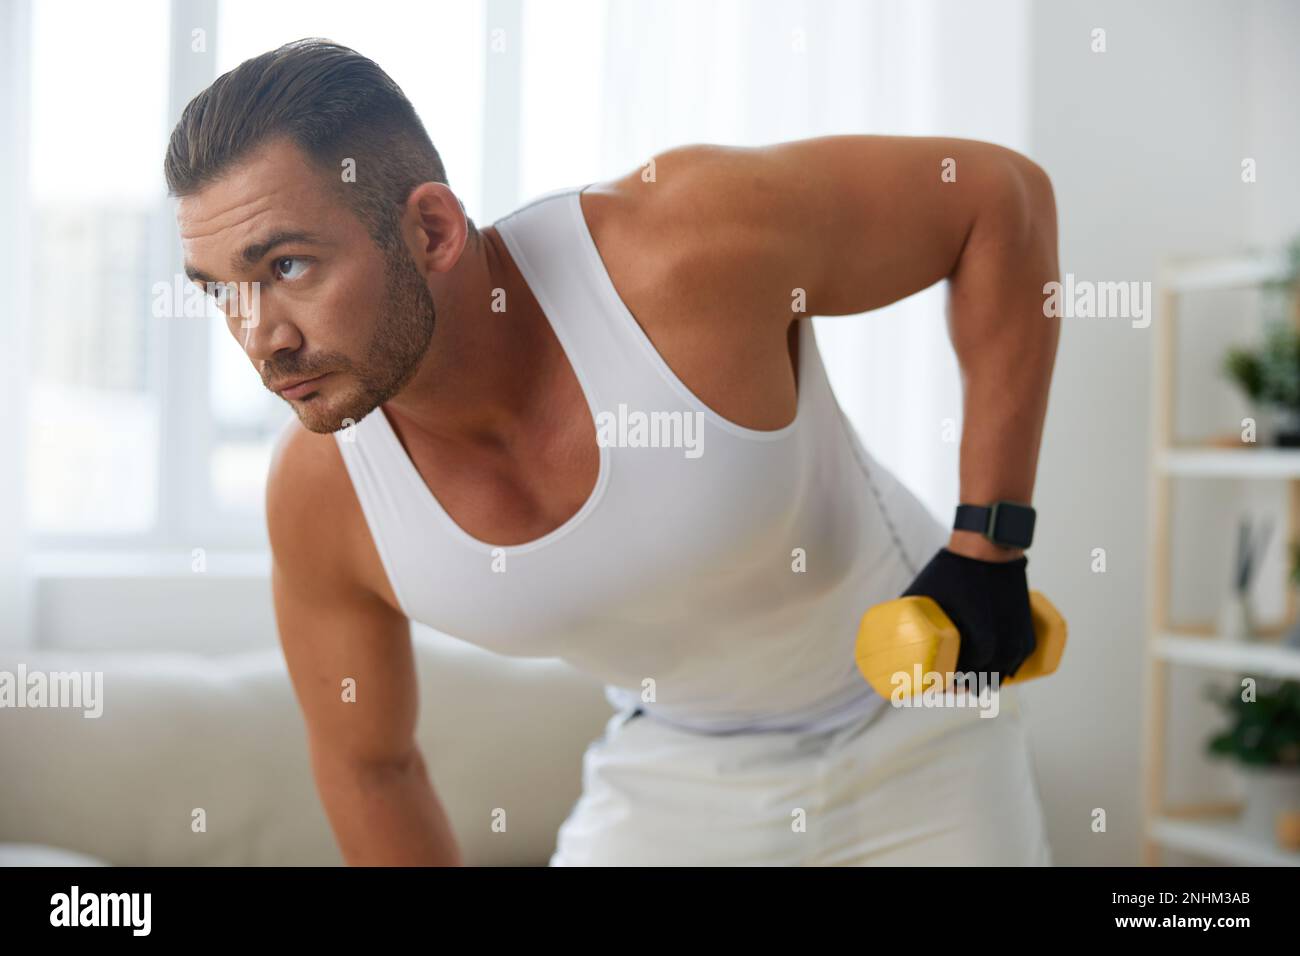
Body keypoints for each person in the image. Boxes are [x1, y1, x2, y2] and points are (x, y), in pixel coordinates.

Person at [165, 38, 1060, 866]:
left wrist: (989, 543)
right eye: (220, 293)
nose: (259, 340)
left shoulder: (683, 245)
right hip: (672, 772)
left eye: (285, 267)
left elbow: (998, 199)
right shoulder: (323, 495)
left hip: (924, 725)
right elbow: (373, 771)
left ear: (432, 230)